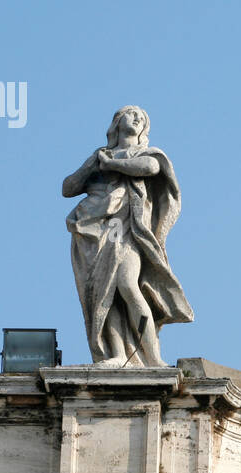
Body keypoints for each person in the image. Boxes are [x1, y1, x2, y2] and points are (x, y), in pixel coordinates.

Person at [63, 106, 193, 366]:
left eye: (142, 118)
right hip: (95, 230)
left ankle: (154, 358)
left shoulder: (145, 154)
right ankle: (119, 354)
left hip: (128, 231)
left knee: (126, 283)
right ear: (117, 122)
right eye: (131, 114)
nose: (137, 118)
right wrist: (91, 166)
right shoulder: (99, 156)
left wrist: (112, 164)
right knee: (105, 292)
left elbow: (150, 167)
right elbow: (68, 188)